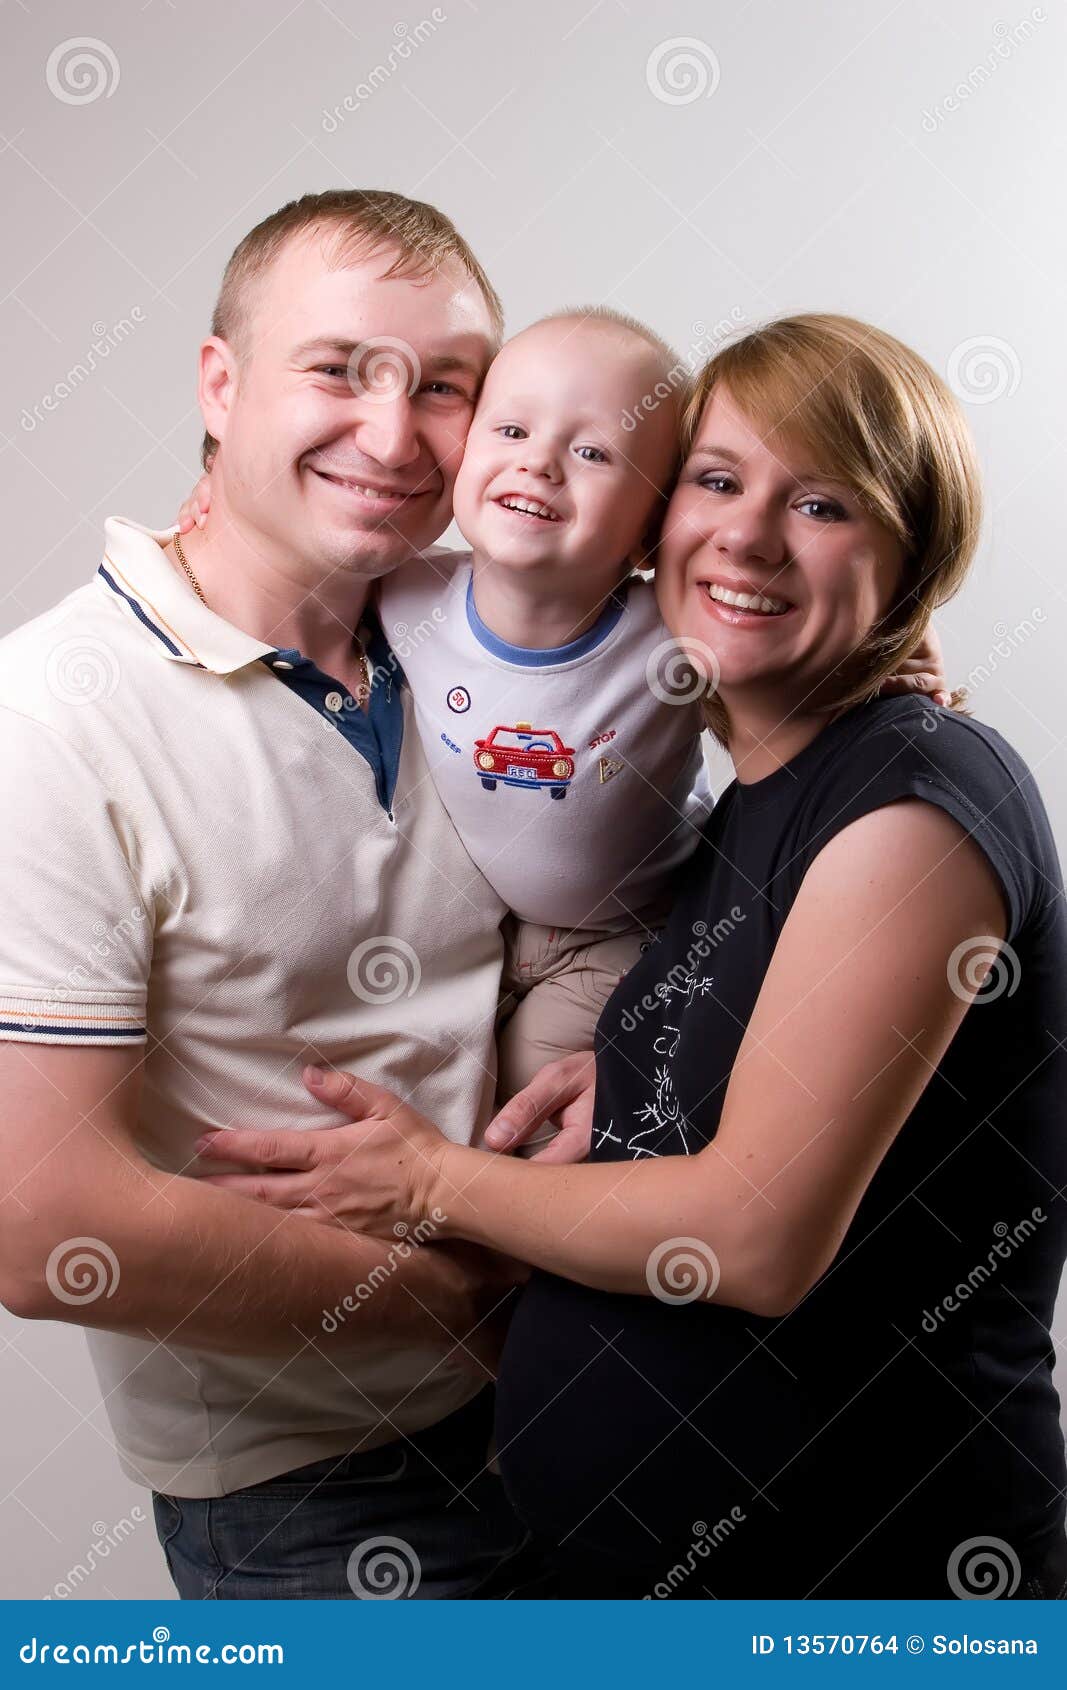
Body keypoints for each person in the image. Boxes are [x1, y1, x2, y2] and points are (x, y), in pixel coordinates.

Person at [198, 314, 1067, 1599]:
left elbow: (755, 1237)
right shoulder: (735, 804)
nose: (748, 536)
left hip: (864, 1587)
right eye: (716, 481)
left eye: (821, 504)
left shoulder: (907, 806)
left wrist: (429, 1180)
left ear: (912, 552)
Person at [0, 189, 557, 1600]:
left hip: (578, 1410)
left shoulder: (484, 636)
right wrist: (456, 1296)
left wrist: (883, 668)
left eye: (443, 385)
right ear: (218, 382)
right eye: (337, 368)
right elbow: (40, 1221)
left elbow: (729, 627)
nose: (391, 432)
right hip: (313, 1492)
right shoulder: (51, 716)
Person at [180, 307, 950, 1116]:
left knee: (526, 1110)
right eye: (509, 431)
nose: (540, 465)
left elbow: (796, 617)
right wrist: (217, 482)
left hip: (622, 935)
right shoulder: (406, 594)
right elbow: (298, 541)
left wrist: (908, 640)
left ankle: (504, 1229)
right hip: (478, 924)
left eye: (591, 453)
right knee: (404, 1076)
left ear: (654, 525)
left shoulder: (671, 632)